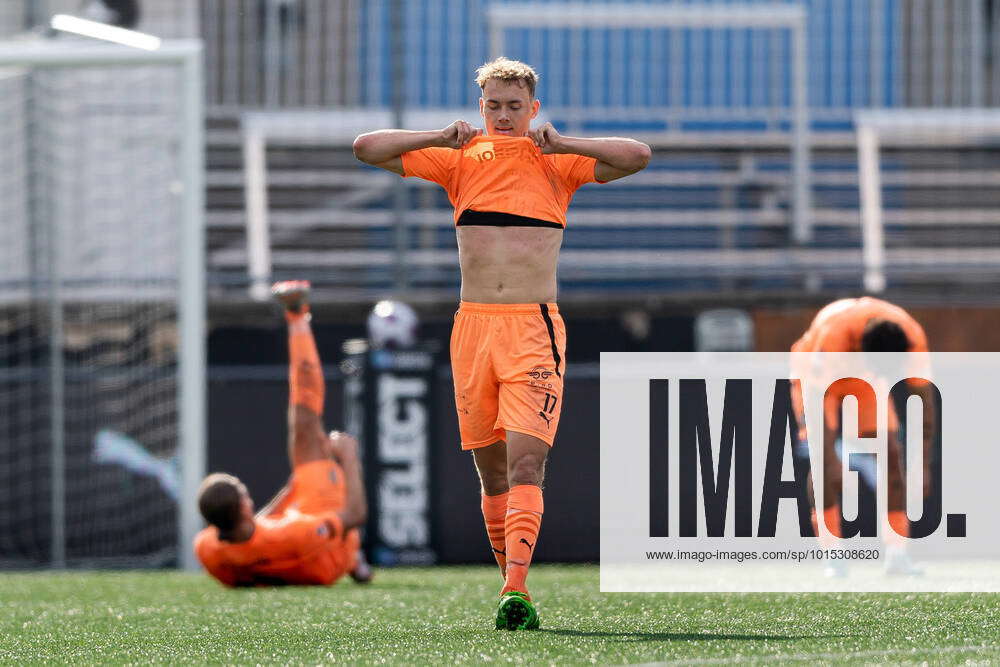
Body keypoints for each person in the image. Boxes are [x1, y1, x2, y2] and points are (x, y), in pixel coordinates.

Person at [353, 57, 650, 629]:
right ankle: (511, 586)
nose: (505, 115)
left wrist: (564, 143)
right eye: (494, 105)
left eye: (515, 105)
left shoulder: (555, 161)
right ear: (481, 106)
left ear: (533, 108)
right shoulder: (460, 158)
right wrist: (439, 135)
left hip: (532, 327)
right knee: (490, 474)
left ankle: (516, 589)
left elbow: (637, 155)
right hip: (473, 328)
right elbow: (367, 146)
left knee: (526, 464)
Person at [194, 280, 372, 587]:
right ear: (245, 506)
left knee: (303, 453)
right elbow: (354, 516)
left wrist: (288, 491)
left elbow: (253, 535)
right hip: (330, 557)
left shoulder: (207, 550)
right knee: (307, 428)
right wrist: (349, 458)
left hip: (290, 539)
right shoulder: (294, 534)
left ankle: (297, 316)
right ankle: (297, 316)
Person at [791, 296, 935, 576]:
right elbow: (813, 394)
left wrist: (923, 463)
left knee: (892, 455)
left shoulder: (912, 336)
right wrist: (829, 458)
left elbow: (923, 399)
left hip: (865, 384)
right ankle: (832, 553)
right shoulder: (834, 334)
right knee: (822, 464)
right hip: (816, 383)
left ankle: (896, 554)